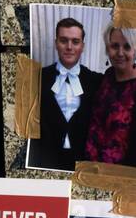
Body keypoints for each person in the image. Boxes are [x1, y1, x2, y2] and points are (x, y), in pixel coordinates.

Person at [27, 17, 103, 171]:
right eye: (63, 40)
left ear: (83, 46)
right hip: (46, 162)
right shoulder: (37, 77)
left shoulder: (97, 81)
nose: (69, 47)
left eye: (75, 41)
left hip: (83, 163)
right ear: (56, 43)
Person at [84, 25, 136, 166]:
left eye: (127, 47)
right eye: (115, 46)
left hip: (118, 172)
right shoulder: (108, 76)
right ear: (107, 49)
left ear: (135, 50)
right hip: (89, 165)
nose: (120, 53)